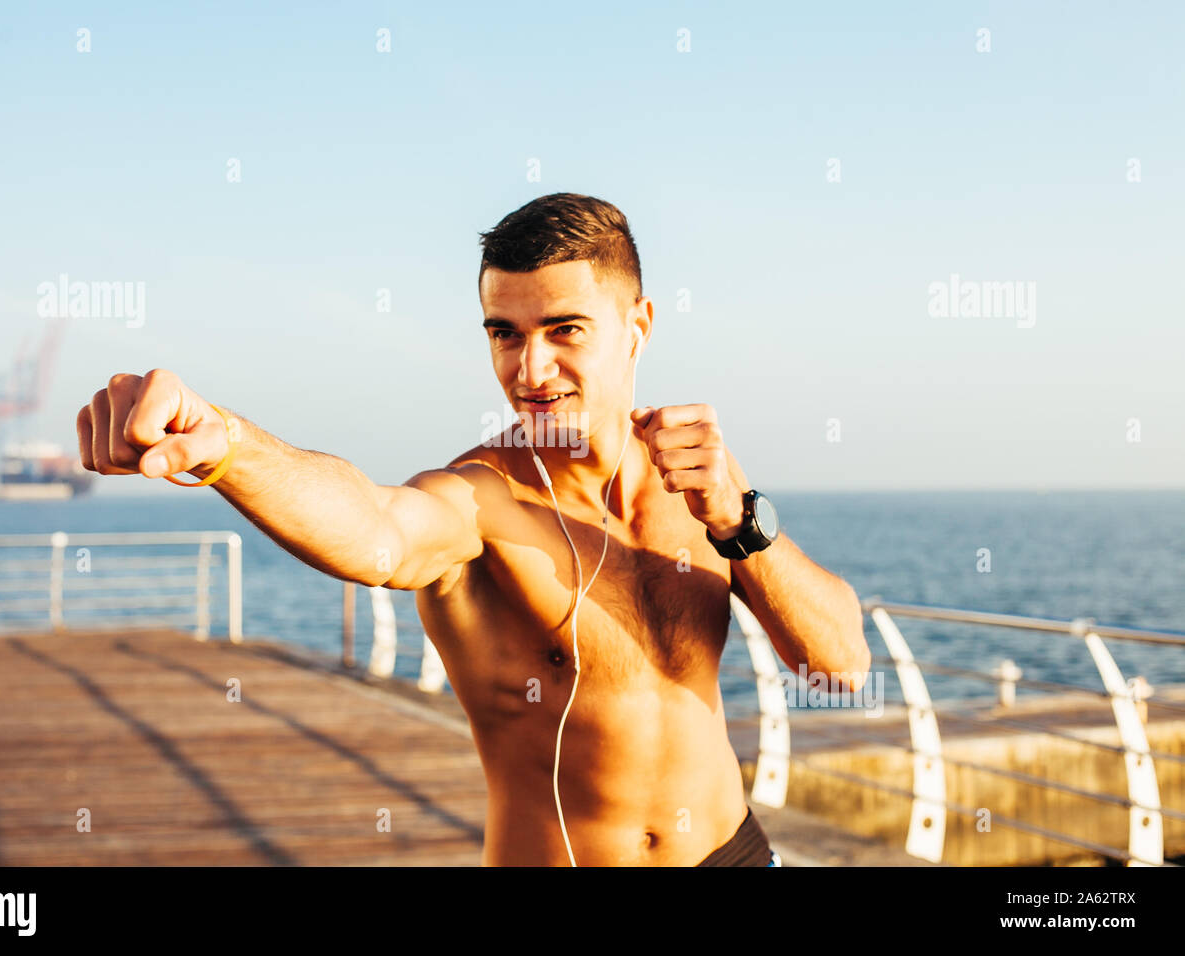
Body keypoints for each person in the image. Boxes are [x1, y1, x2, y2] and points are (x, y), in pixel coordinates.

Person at [75, 192, 870, 866]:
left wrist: (739, 521)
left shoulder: (698, 486)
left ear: (638, 326)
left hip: (733, 855)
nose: (529, 370)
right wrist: (227, 445)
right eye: (505, 333)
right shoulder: (481, 496)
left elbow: (841, 667)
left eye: (565, 330)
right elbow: (378, 529)